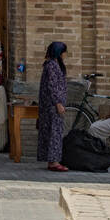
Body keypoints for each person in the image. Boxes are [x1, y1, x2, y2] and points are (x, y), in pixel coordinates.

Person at [37, 40, 68, 172]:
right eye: (64, 52)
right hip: (52, 106)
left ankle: (52, 161)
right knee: (54, 132)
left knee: (51, 132)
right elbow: (52, 85)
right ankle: (54, 162)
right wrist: (58, 103)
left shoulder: (52, 65)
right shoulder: (52, 66)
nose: (65, 55)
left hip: (51, 105)